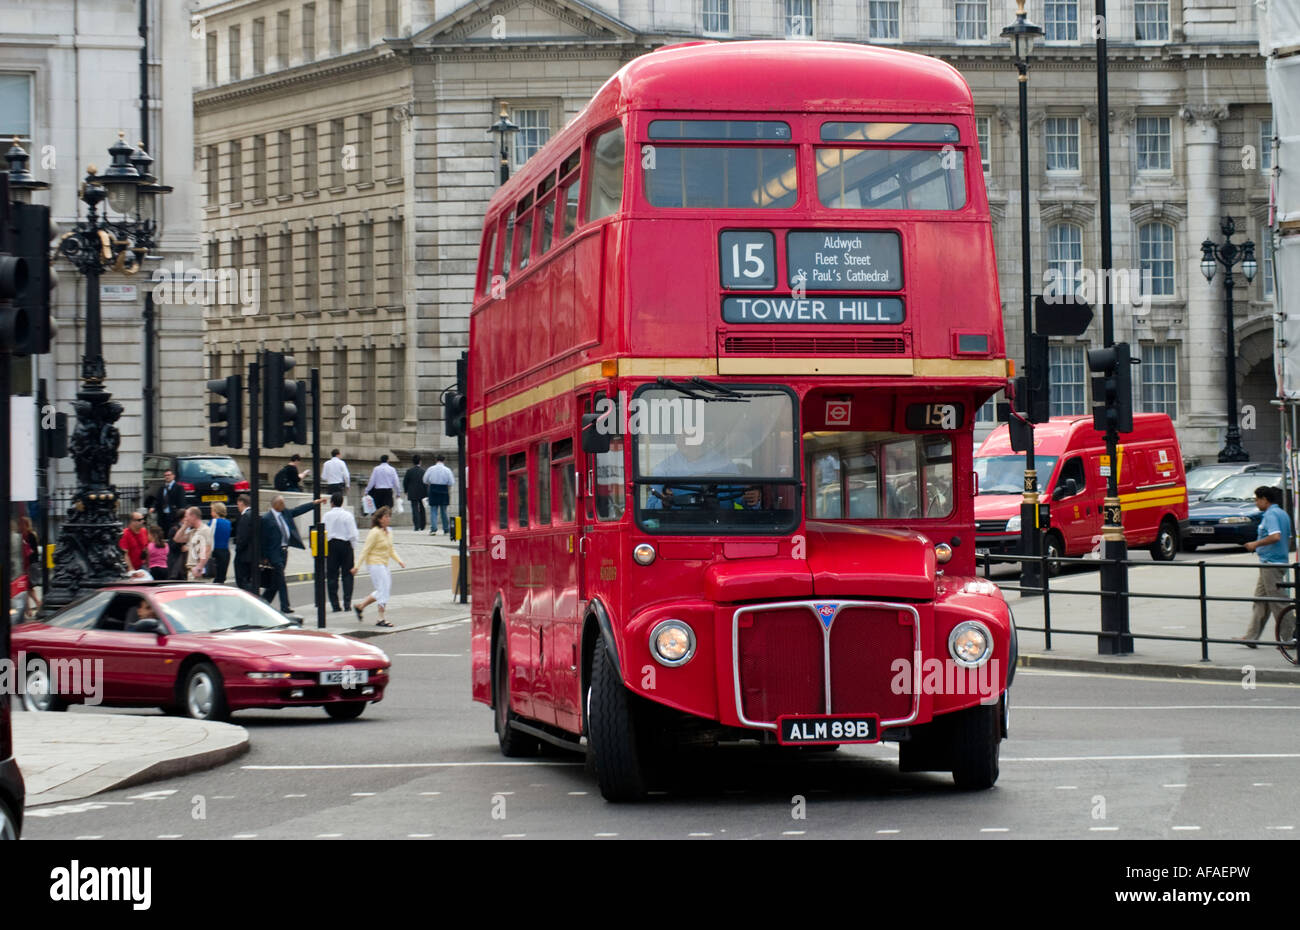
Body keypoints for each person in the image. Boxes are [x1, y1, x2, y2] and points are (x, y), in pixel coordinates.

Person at [1238, 485, 1294, 648]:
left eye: (1257, 499)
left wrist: (1256, 544)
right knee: (1261, 600)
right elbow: (1287, 538)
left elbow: (1275, 536)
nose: (1256, 503)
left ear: (1264, 499)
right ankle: (1251, 636)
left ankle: (1290, 638)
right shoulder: (1282, 513)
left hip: (1271, 564)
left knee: (1277, 601)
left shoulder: (1271, 515)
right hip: (1274, 561)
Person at [643, 433, 760, 510]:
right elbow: (650, 507)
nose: (684, 439)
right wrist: (663, 503)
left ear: (701, 437)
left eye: (690, 434)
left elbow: (744, 499)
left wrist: (753, 498)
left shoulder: (725, 465)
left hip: (722, 526)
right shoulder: (664, 469)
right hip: (679, 527)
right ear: (676, 438)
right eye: (680, 435)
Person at [259, 493, 328, 613]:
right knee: (281, 579)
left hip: (284, 551)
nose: (284, 505)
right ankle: (285, 606)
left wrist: (314, 504)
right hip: (274, 552)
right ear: (276, 505)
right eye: (282, 503)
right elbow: (263, 539)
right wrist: (263, 557)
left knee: (276, 582)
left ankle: (263, 602)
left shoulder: (285, 513)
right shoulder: (266, 519)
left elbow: (298, 510)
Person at [352, 506, 405, 627]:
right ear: (380, 519)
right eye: (386, 516)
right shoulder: (374, 532)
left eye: (389, 516)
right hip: (374, 564)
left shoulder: (389, 531)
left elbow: (391, 549)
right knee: (383, 590)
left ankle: (360, 606)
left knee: (383, 589)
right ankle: (380, 618)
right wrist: (357, 566)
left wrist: (399, 561)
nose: (388, 519)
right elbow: (365, 550)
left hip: (384, 564)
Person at [324, 492, 359, 612]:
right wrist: (353, 546)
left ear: (331, 503)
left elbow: (323, 531)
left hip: (331, 545)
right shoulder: (347, 515)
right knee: (347, 575)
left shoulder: (326, 516)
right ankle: (347, 603)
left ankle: (335, 605)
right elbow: (353, 533)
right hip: (345, 545)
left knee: (332, 576)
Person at [146, 468, 187, 539]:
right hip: (162, 516)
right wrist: (153, 507)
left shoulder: (179, 488)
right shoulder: (162, 488)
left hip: (173, 517)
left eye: (169, 475)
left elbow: (181, 503)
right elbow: (157, 500)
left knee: (172, 535)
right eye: (165, 475)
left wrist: (181, 515)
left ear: (173, 476)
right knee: (163, 535)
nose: (167, 477)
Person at [424, 454, 456, 536]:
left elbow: (425, 480)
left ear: (436, 460)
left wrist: (430, 483)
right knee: (444, 511)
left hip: (433, 489)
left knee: (433, 510)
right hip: (443, 490)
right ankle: (446, 529)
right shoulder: (447, 470)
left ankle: (433, 529)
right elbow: (451, 482)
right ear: (444, 460)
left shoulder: (431, 469)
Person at [181, 507, 215, 581]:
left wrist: (199, 567)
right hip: (192, 571)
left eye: (187, 516)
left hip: (198, 572)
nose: (185, 519)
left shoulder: (205, 530)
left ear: (193, 516)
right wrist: (184, 526)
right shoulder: (193, 531)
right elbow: (177, 539)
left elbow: (207, 550)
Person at [232, 493, 257, 592]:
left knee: (242, 582)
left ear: (241, 503)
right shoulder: (254, 514)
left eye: (238, 504)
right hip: (252, 555)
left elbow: (242, 538)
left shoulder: (245, 516)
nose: (237, 507)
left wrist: (238, 548)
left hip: (244, 556)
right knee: (249, 581)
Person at [208, 501, 232, 584]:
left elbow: (208, 536)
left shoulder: (213, 522)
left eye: (212, 510)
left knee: (216, 577)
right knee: (222, 577)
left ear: (215, 512)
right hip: (226, 551)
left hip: (216, 551)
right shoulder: (228, 522)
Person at [404, 455, 427, 532]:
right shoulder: (423, 471)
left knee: (414, 509)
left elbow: (405, 482)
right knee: (422, 508)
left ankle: (416, 525)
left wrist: (406, 490)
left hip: (412, 492)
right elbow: (426, 483)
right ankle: (422, 525)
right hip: (422, 492)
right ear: (420, 461)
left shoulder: (409, 471)